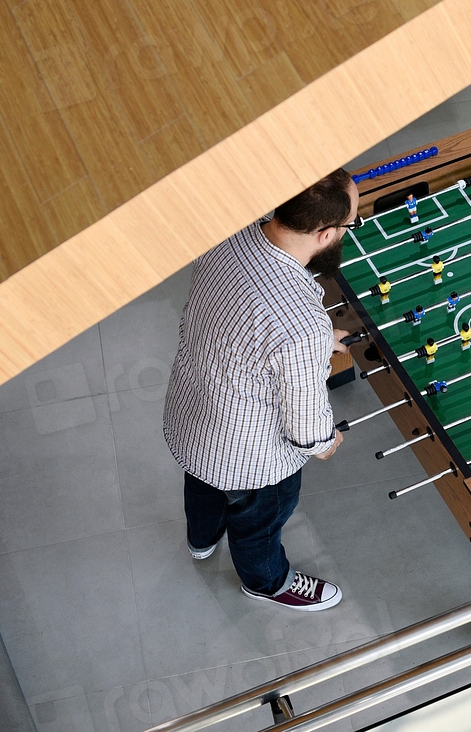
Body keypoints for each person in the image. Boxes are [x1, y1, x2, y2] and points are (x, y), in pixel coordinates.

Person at [164, 169, 359, 612]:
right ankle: (266, 581)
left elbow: (244, 318)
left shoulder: (227, 235)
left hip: (193, 417)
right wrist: (326, 443)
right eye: (351, 225)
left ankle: (201, 541)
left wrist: (310, 343)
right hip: (254, 459)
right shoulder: (300, 326)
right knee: (259, 523)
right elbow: (307, 428)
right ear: (326, 233)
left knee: (201, 487)